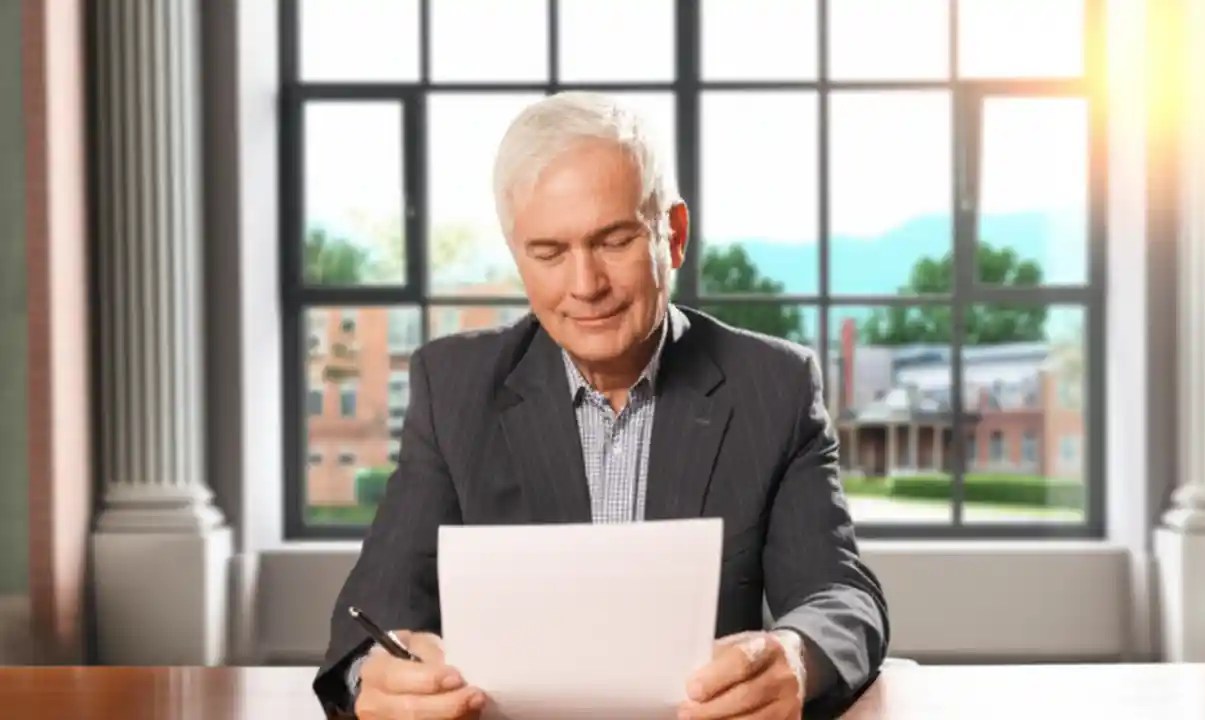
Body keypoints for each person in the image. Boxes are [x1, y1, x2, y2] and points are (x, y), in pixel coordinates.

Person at [313, 91, 889, 720]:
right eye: (549, 253)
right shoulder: (453, 390)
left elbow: (841, 597)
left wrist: (795, 657)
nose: (585, 287)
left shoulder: (773, 386)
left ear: (673, 236)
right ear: (518, 257)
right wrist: (377, 674)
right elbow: (371, 617)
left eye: (612, 241)